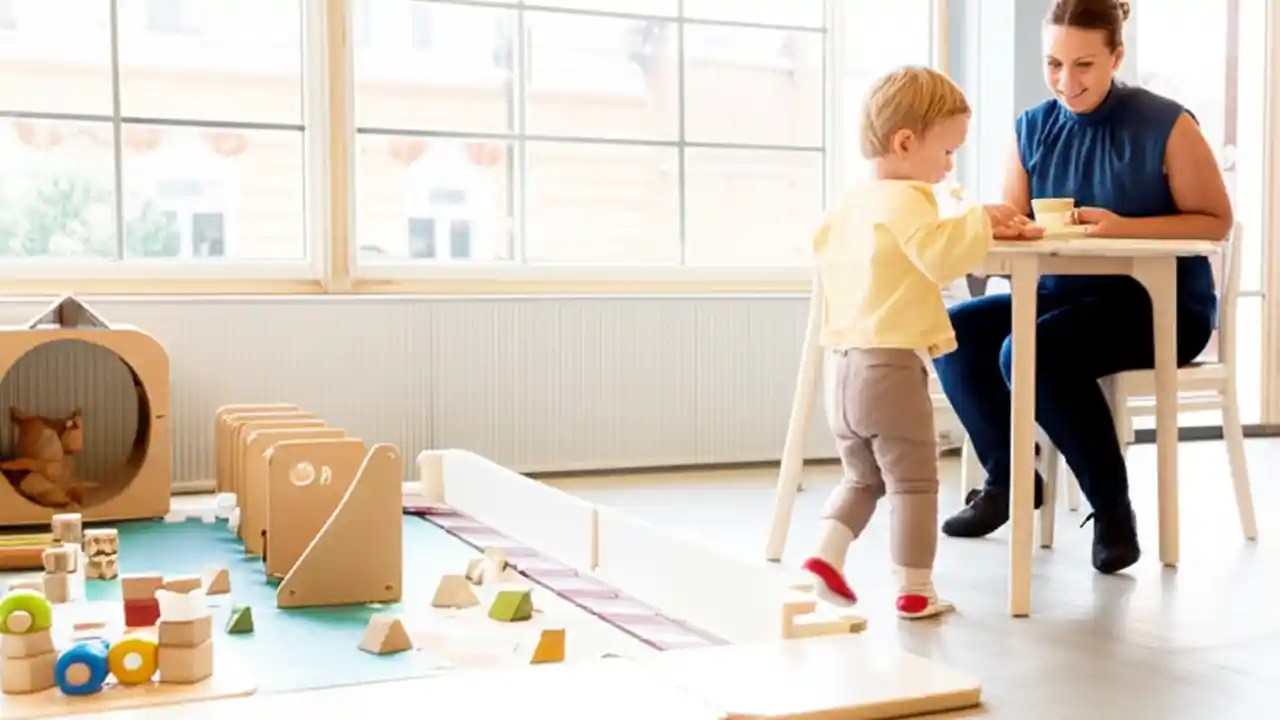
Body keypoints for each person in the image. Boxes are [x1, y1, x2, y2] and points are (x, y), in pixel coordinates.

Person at [935, 0, 1232, 574]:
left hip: (1159, 307)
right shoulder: (1031, 128)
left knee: (1032, 350)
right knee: (955, 330)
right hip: (1062, 298)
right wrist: (1003, 223)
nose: (1066, 82)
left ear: (1116, 56)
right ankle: (1012, 478)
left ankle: (1113, 511)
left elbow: (1214, 220)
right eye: (1053, 64)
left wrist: (1126, 228)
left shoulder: (1168, 123)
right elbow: (1018, 225)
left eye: (1084, 65)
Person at [802, 65, 1038, 619]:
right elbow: (937, 258)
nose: (949, 165)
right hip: (889, 368)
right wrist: (980, 220)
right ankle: (915, 590)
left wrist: (971, 220)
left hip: (845, 370)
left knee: (862, 478)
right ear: (905, 142)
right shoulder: (910, 198)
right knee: (914, 483)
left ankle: (825, 554)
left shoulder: (850, 204)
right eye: (948, 152)